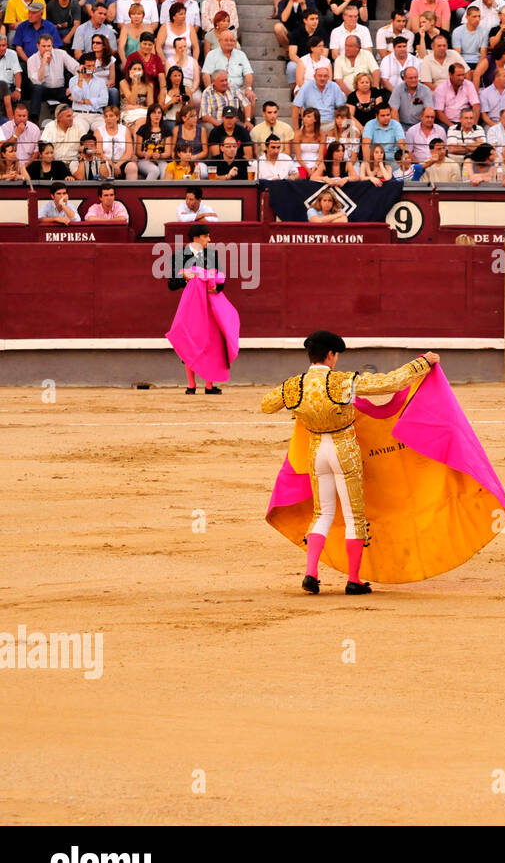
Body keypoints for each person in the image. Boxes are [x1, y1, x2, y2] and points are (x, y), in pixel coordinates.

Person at [261, 333, 440, 595]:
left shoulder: (293, 386)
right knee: (354, 516)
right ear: (331, 355)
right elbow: (389, 383)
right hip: (343, 451)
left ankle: (311, 573)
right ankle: (353, 580)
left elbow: (267, 404)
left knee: (322, 513)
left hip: (316, 452)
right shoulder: (342, 382)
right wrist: (422, 363)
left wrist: (300, 405)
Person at [168, 223, 223, 394]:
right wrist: (184, 277)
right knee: (190, 342)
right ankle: (191, 385)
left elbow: (221, 279)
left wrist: (217, 287)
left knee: (210, 341)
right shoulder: (179, 256)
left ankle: (209, 386)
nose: (209, 239)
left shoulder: (212, 254)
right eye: (206, 236)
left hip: (208, 303)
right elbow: (171, 284)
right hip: (191, 306)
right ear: (197, 238)